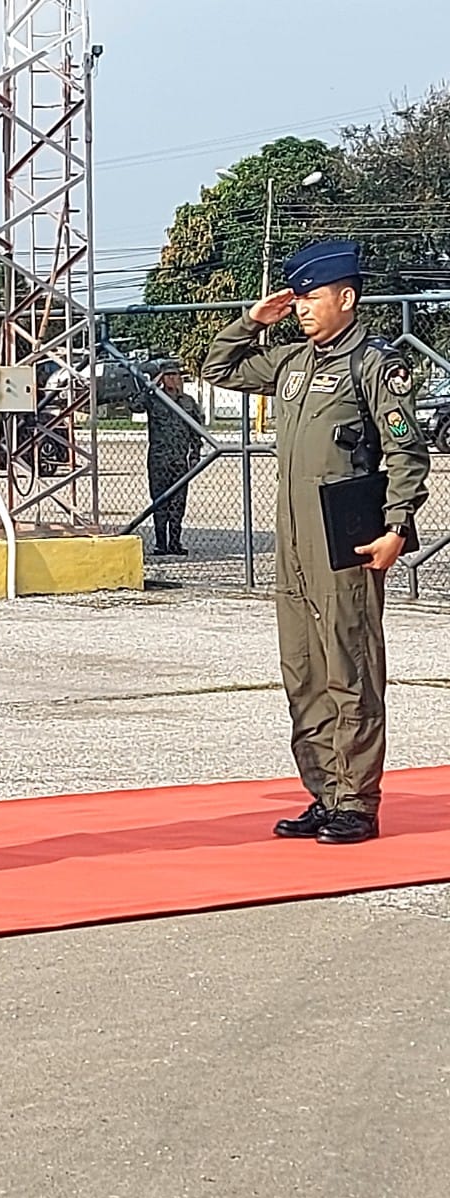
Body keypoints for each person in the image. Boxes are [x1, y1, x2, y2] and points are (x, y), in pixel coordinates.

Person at [201, 240, 431, 844]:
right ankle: (324, 793)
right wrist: (254, 320)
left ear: (346, 298)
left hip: (346, 542)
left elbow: (407, 454)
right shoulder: (292, 363)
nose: (301, 307)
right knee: (302, 670)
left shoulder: (376, 365)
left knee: (349, 668)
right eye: (297, 297)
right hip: (294, 543)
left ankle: (357, 800)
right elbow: (217, 368)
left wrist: (397, 529)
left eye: (312, 297)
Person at [134, 358, 204, 555]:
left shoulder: (188, 402)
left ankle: (175, 542)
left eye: (176, 375)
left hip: (179, 460)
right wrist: (151, 387)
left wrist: (195, 455)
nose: (173, 379)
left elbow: (196, 431)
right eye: (168, 376)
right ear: (162, 378)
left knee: (178, 503)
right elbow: (135, 406)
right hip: (159, 459)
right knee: (159, 502)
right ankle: (161, 543)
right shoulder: (154, 399)